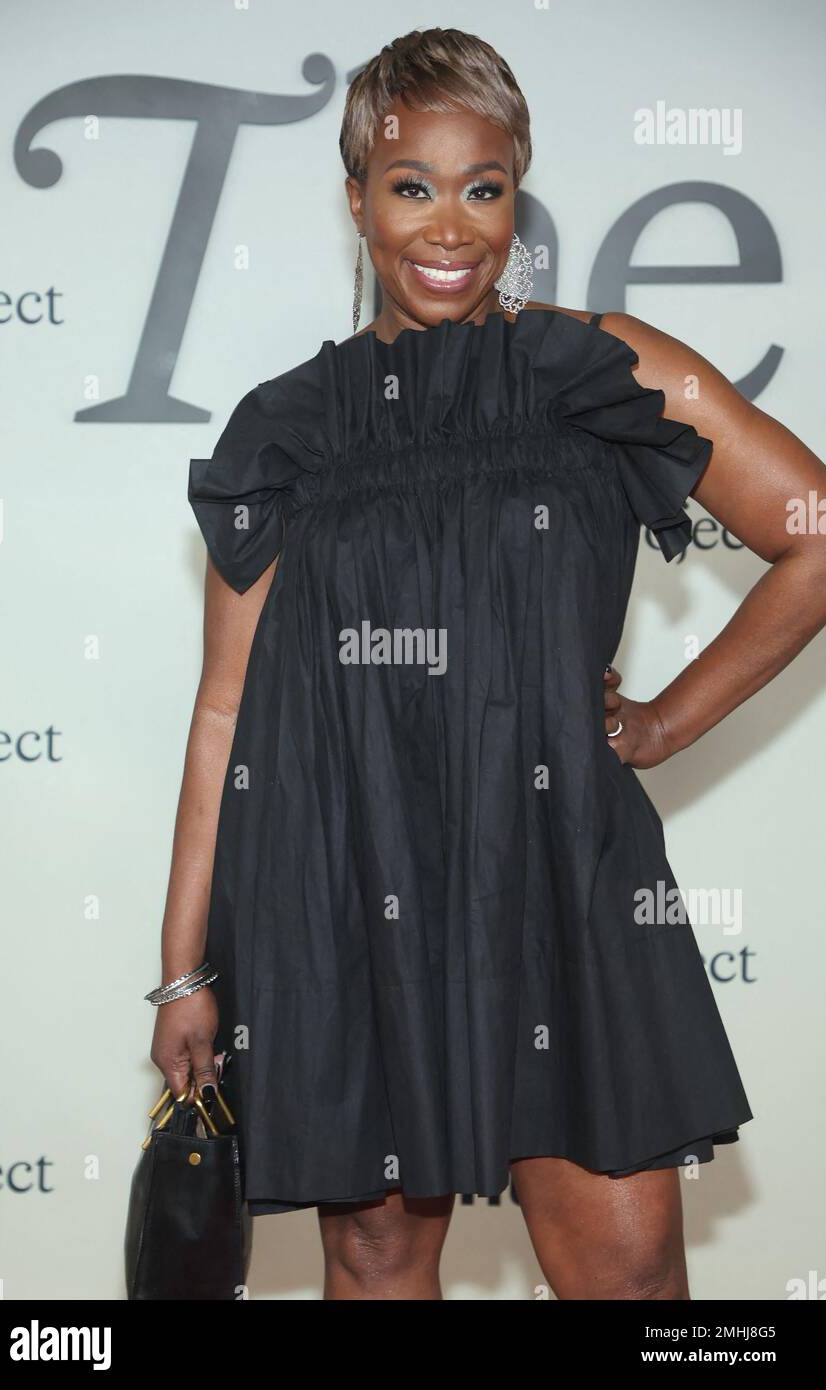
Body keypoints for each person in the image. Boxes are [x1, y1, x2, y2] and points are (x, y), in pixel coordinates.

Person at [151, 27, 826, 1300]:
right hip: (344, 885)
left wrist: (664, 728)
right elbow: (224, 708)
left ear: (517, 191)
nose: (448, 225)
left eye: (484, 185)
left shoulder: (595, 370)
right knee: (373, 1257)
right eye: (410, 186)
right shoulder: (287, 428)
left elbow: (812, 531)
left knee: (628, 1282)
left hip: (557, 874)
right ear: (356, 198)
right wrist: (186, 966)